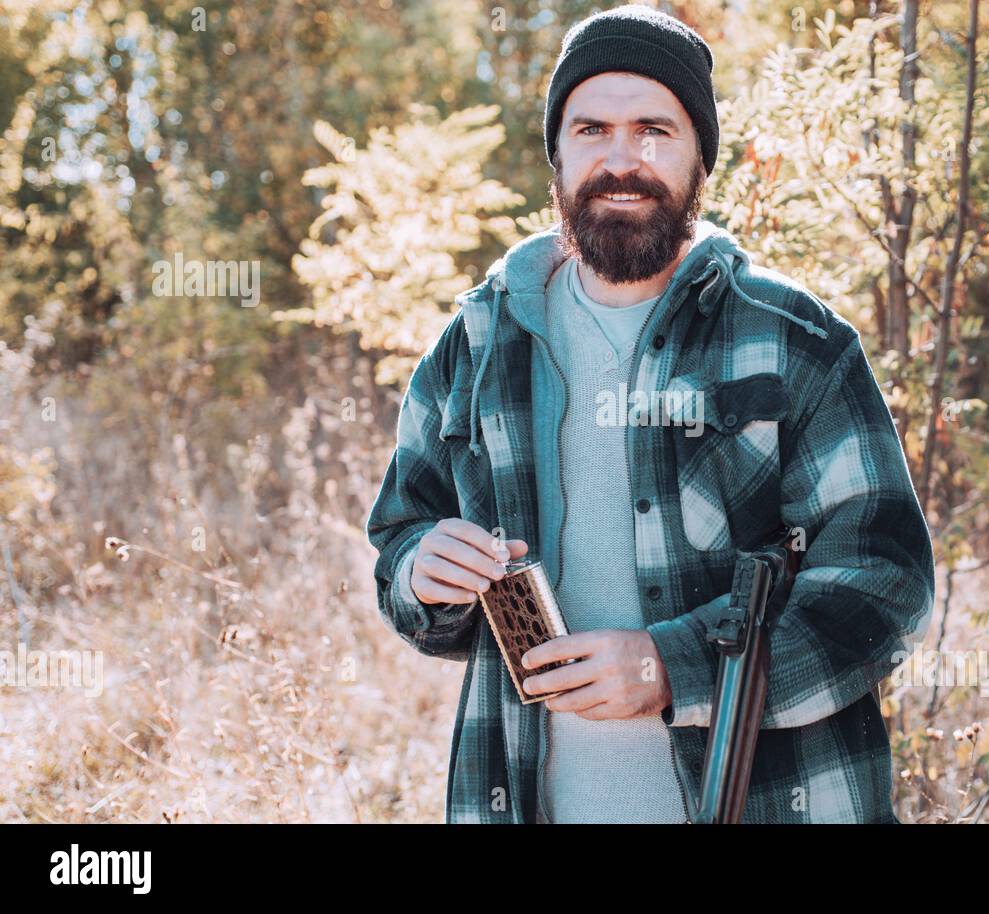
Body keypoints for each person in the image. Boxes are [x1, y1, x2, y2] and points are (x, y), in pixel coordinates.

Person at [366, 4, 934, 824]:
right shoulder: (477, 343)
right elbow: (400, 547)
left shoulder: (794, 340)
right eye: (591, 129)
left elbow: (884, 585)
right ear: (555, 154)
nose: (621, 160)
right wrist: (423, 571)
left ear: (701, 154)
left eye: (654, 131)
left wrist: (675, 667)